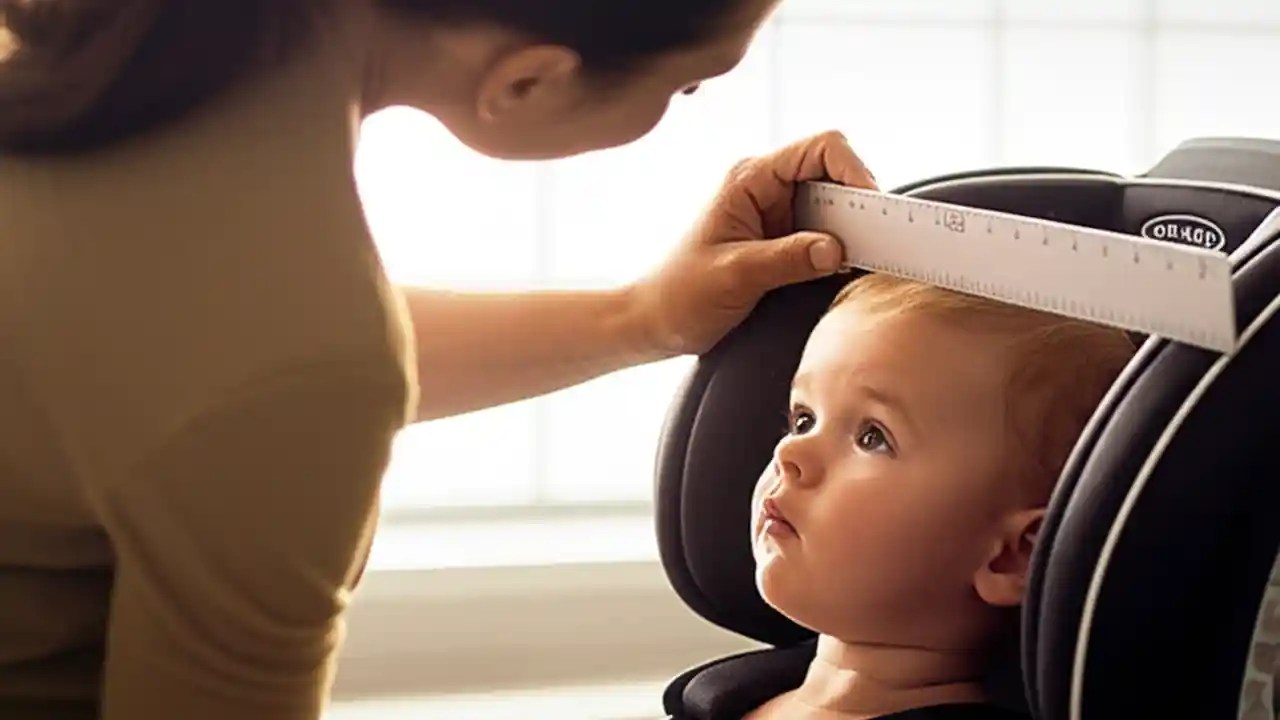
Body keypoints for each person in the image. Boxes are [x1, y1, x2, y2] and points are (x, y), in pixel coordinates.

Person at [0, 1, 878, 718]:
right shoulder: (284, 351)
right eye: (687, 86)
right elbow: (258, 377)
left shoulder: (77, 54)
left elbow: (171, 358)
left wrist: (641, 317)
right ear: (526, 78)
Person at [746, 273, 1138, 719]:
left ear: (1012, 556)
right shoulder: (738, 690)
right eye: (804, 419)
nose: (789, 452)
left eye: (873, 437)